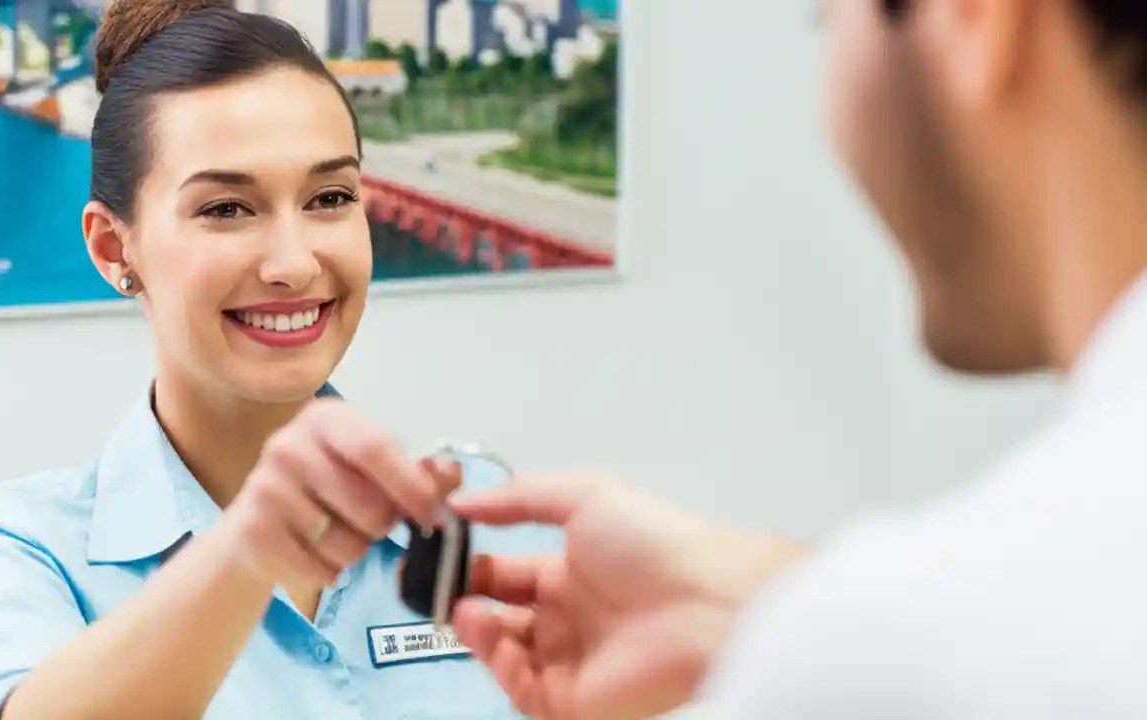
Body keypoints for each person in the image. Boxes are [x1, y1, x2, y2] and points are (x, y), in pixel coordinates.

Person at [448, 0, 1147, 718]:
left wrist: (828, 630)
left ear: (974, 18)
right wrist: (774, 604)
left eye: (827, 20)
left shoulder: (891, 657)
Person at [0, 2, 550, 718]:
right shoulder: (17, 547)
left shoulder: (480, 512)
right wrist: (250, 549)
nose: (293, 263)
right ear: (112, 248)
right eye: (226, 209)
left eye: (330, 198)